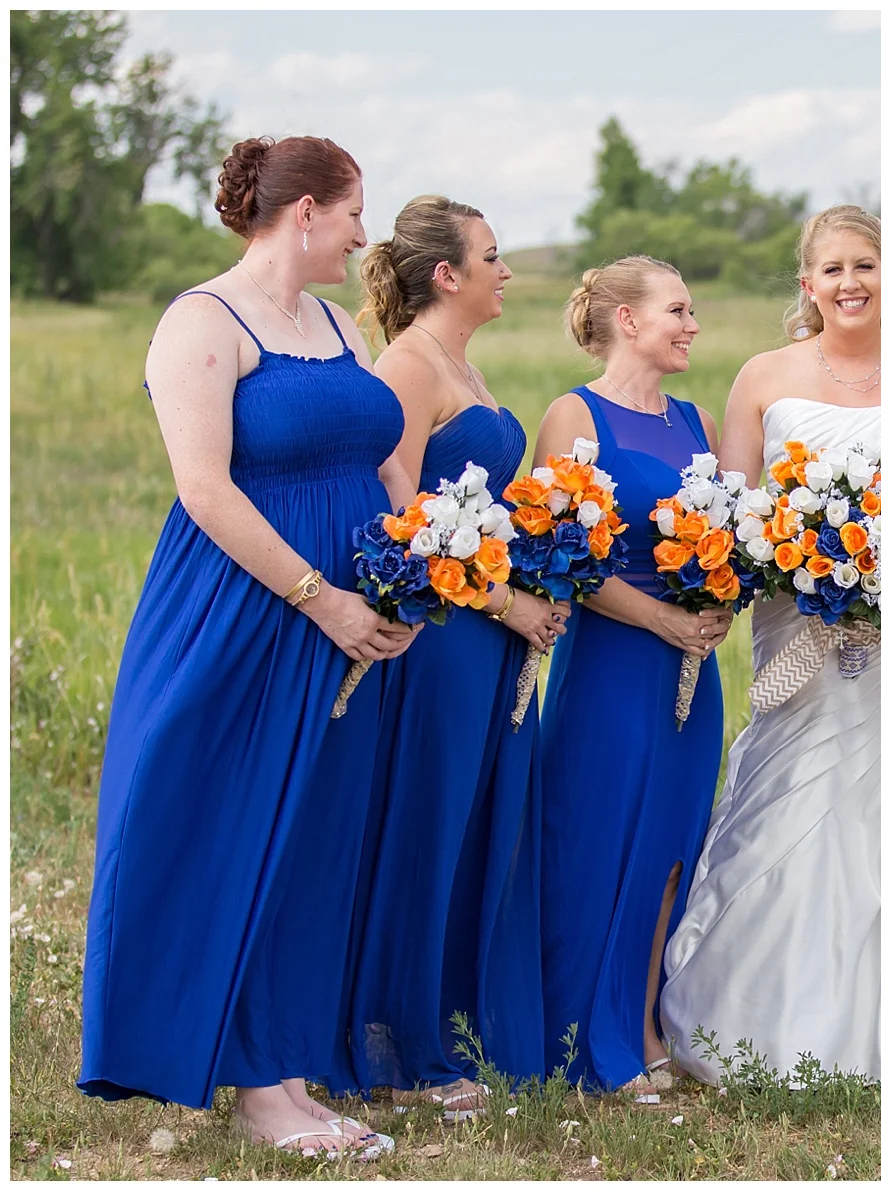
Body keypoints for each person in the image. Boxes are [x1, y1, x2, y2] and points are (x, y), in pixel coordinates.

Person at [78, 135, 418, 1158]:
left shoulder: (329, 323)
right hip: (245, 612)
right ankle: (256, 1086)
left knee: (317, 834)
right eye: (356, 210)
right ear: (306, 211)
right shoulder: (200, 323)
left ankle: (288, 1068)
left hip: (352, 616)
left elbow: (376, 455)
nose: (367, 232)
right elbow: (206, 490)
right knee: (230, 825)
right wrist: (323, 601)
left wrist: (415, 571)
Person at [659, 204, 881, 1085]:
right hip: (797, 626)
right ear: (808, 284)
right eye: (833, 270)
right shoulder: (763, 376)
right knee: (798, 794)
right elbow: (734, 515)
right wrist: (813, 577)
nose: (850, 283)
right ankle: (774, 1023)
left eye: (866, 266)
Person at [329, 196, 566, 1119]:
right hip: (442, 639)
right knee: (426, 822)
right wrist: (510, 603)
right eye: (493, 256)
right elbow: (403, 523)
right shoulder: (406, 367)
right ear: (447, 274)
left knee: (469, 819)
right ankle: (396, 1045)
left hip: (488, 633)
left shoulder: (462, 361)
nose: (506, 271)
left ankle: (449, 1018)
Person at [533, 256, 731, 1094]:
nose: (692, 325)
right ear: (626, 320)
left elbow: (725, 529)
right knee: (597, 831)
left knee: (670, 845)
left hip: (691, 667)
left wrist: (724, 594)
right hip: (613, 659)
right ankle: (581, 1026)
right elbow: (561, 556)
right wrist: (662, 618)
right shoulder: (574, 415)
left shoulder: (696, 418)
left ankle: (645, 1019)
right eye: (677, 311)